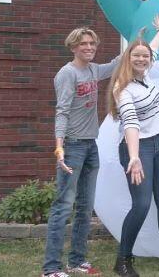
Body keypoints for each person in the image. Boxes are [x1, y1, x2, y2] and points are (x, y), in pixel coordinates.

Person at [108, 15, 159, 277]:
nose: (141, 59)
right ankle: (123, 260)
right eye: (136, 56)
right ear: (127, 59)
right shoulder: (123, 88)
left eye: (145, 56)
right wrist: (134, 156)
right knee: (141, 205)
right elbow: (130, 123)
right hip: (137, 149)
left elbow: (154, 49)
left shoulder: (147, 74)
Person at [42, 27, 120, 277]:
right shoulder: (68, 73)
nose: (88, 47)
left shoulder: (93, 70)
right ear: (73, 47)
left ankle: (76, 261)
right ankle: (51, 268)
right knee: (63, 207)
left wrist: (139, 35)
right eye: (83, 44)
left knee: (85, 208)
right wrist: (59, 147)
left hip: (91, 145)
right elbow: (61, 110)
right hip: (72, 146)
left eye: (92, 44)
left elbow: (117, 63)